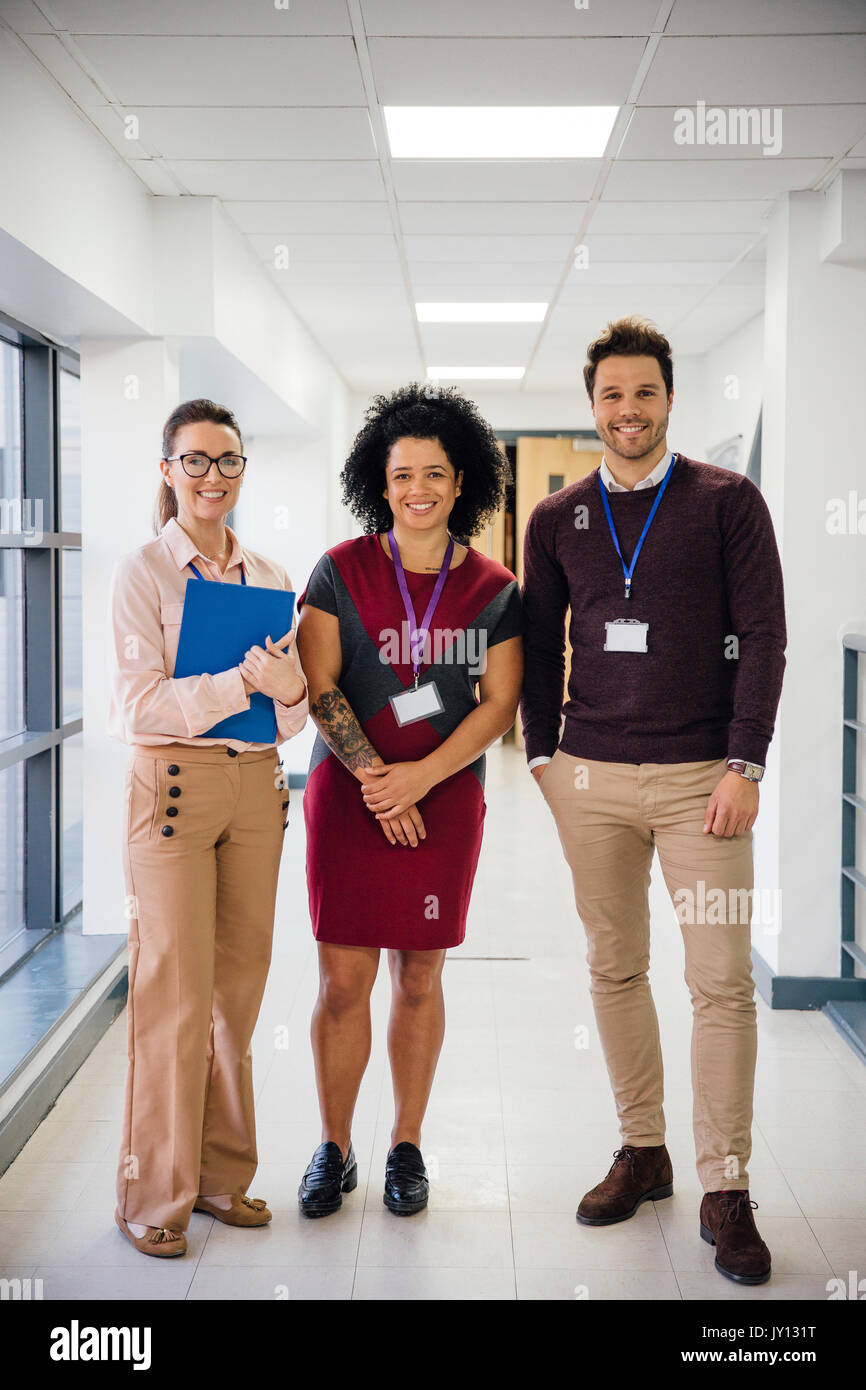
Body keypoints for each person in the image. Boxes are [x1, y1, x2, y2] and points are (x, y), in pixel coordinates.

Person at [520, 317, 786, 1286]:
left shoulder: (726, 502)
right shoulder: (555, 521)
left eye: (641, 392)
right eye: (608, 395)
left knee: (717, 980)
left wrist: (742, 765)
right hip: (588, 777)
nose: (625, 410)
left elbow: (762, 637)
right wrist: (541, 762)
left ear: (667, 398)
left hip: (696, 783)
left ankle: (725, 1186)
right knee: (613, 967)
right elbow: (536, 642)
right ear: (589, 406)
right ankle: (644, 1149)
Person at [295, 383, 523, 1217]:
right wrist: (376, 782)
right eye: (401, 475)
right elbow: (320, 685)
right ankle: (333, 1146)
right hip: (351, 796)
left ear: (461, 482)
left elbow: (499, 705)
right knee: (343, 984)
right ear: (378, 482)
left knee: (420, 979)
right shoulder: (339, 569)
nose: (418, 489)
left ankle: (405, 1146)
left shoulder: (495, 588)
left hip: (445, 798)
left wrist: (420, 779)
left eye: (434, 473)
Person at [107, 397, 309, 1257]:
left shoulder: (267, 576)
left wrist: (287, 685)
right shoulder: (144, 573)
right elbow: (137, 707)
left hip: (256, 791)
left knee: (236, 996)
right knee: (172, 998)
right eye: (195, 461)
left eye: (227, 461)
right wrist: (240, 682)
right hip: (175, 795)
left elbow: (293, 716)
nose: (213, 477)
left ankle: (223, 1180)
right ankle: (153, 1194)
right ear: (167, 471)